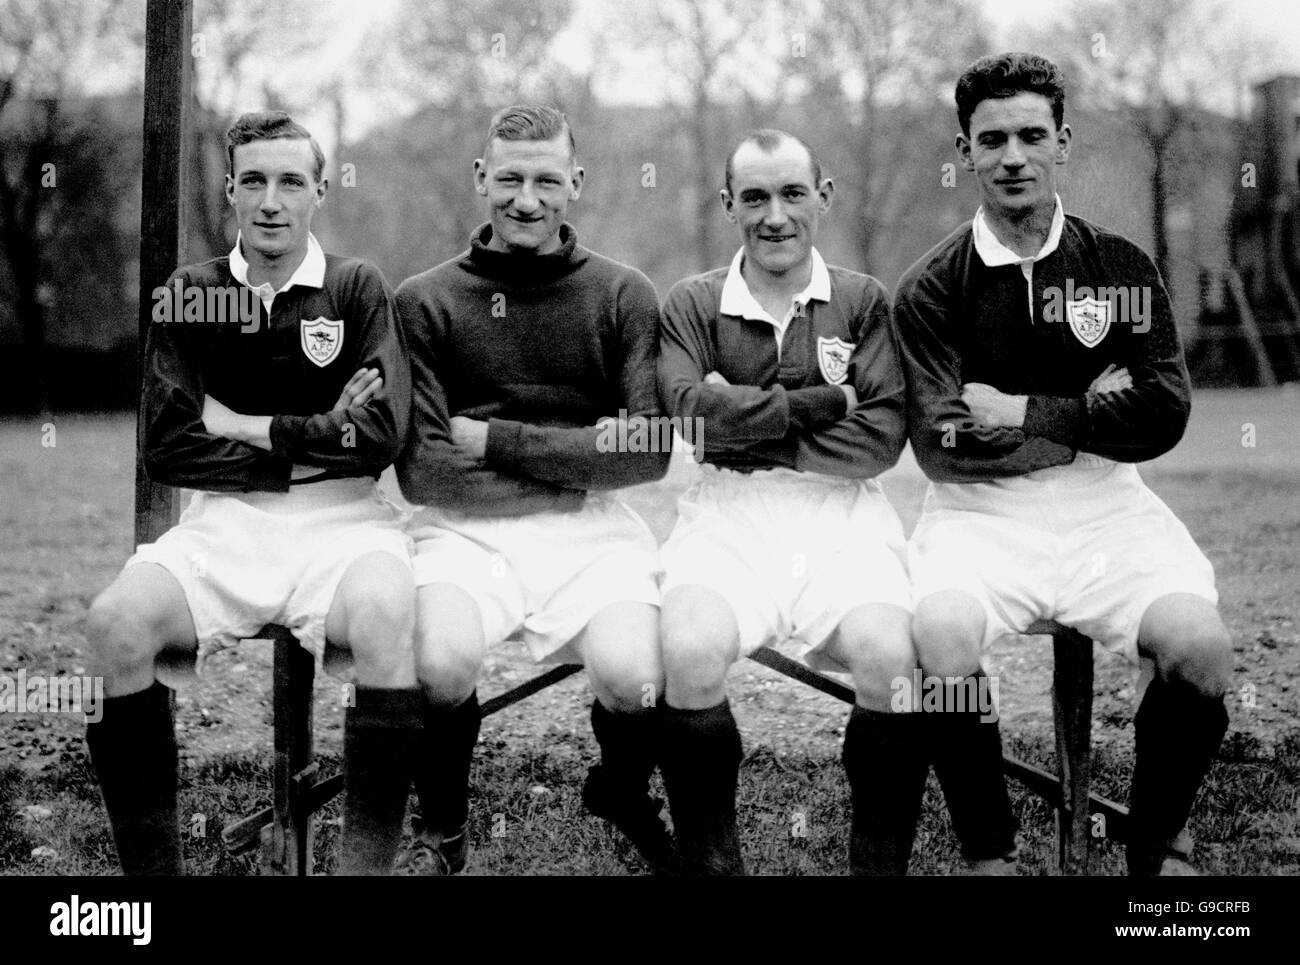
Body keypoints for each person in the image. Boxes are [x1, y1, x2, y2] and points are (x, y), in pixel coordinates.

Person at [894, 52, 1233, 875]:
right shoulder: (932, 288)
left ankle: (1155, 847)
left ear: (1063, 142)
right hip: (980, 514)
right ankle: (991, 854)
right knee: (940, 634)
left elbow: (1163, 415)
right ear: (967, 151)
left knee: (1199, 647)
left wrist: (1022, 413)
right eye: (993, 138)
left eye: (1031, 135)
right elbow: (945, 447)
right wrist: (1092, 410)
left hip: (1107, 502)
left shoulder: (1120, 268)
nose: (1013, 155)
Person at [85, 110, 417, 876]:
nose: (272, 200)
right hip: (224, 527)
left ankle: (361, 874)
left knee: (389, 611)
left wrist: (245, 425)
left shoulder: (354, 287)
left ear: (319, 192)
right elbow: (169, 444)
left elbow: (383, 436)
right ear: (232, 191)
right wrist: (313, 438)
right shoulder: (194, 292)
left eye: (291, 182)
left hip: (345, 523)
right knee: (114, 625)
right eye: (255, 181)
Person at [394, 105, 672, 874]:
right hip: (463, 531)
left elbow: (645, 452)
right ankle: (441, 831)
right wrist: (572, 465)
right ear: (481, 178)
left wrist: (502, 442)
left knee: (638, 679)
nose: (526, 198)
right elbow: (425, 470)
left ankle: (619, 789)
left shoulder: (624, 293)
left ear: (574, 184)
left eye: (547, 180)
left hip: (594, 533)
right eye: (509, 177)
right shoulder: (423, 299)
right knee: (440, 663)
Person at [656, 130, 917, 875]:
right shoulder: (694, 301)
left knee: (894, 658)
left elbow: (879, 438)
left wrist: (741, 417)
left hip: (843, 511)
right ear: (728, 203)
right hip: (729, 513)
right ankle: (716, 868)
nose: (775, 215)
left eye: (793, 194)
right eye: (756, 197)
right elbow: (685, 415)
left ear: (822, 197)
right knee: (689, 648)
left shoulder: (863, 300)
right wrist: (827, 401)